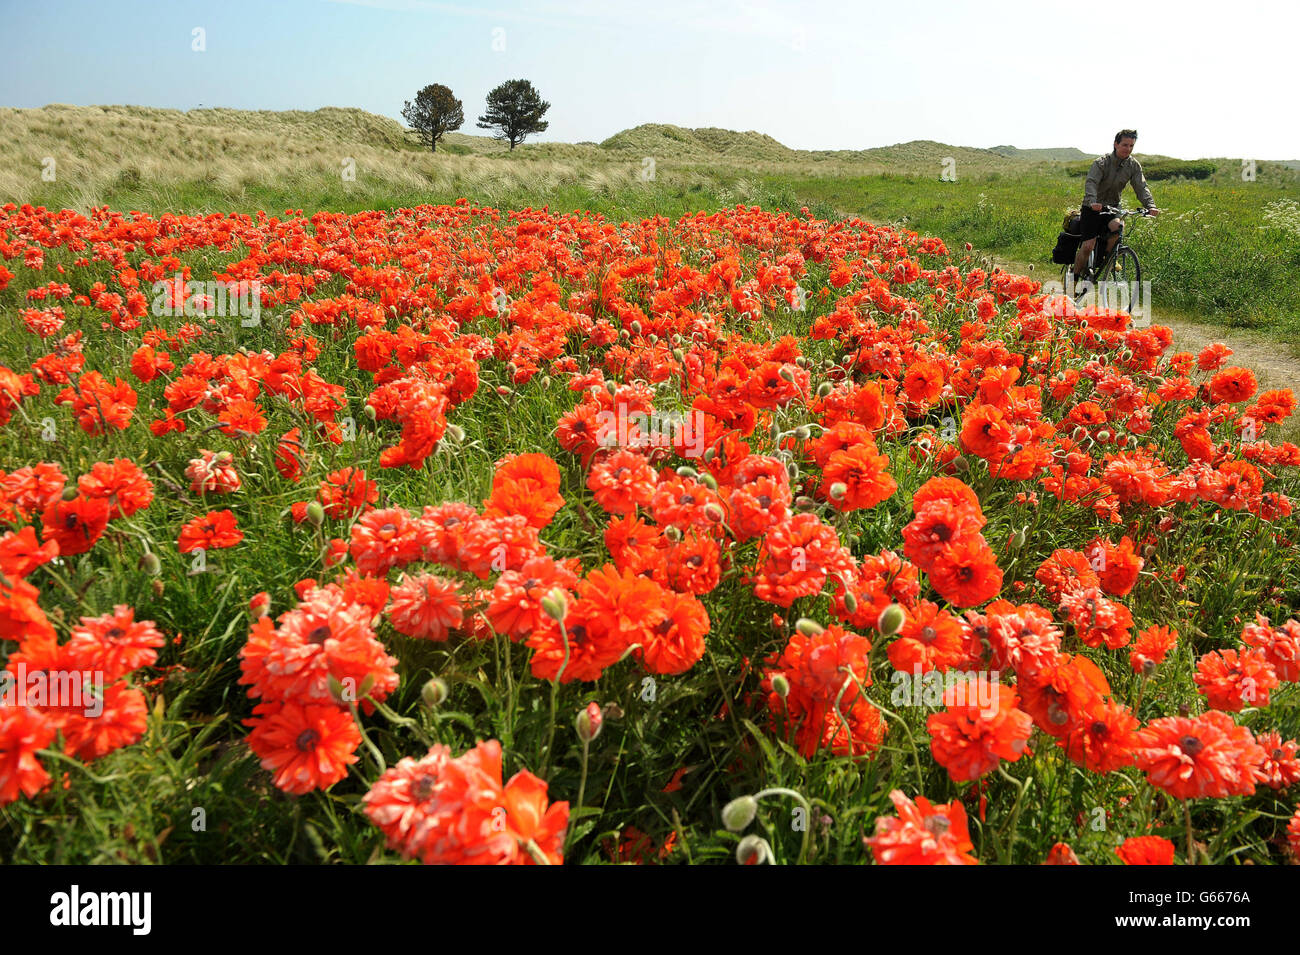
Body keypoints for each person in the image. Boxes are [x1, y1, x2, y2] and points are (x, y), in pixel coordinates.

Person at [1070, 129, 1160, 285]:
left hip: (1113, 207)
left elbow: (1141, 187)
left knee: (1118, 227)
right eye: (1125, 144)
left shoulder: (1133, 165)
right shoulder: (1101, 163)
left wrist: (1150, 205)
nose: (1128, 148)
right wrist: (1092, 201)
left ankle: (1108, 259)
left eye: (1131, 145)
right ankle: (1074, 278)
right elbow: (1091, 182)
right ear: (1116, 144)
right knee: (1087, 246)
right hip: (1092, 207)